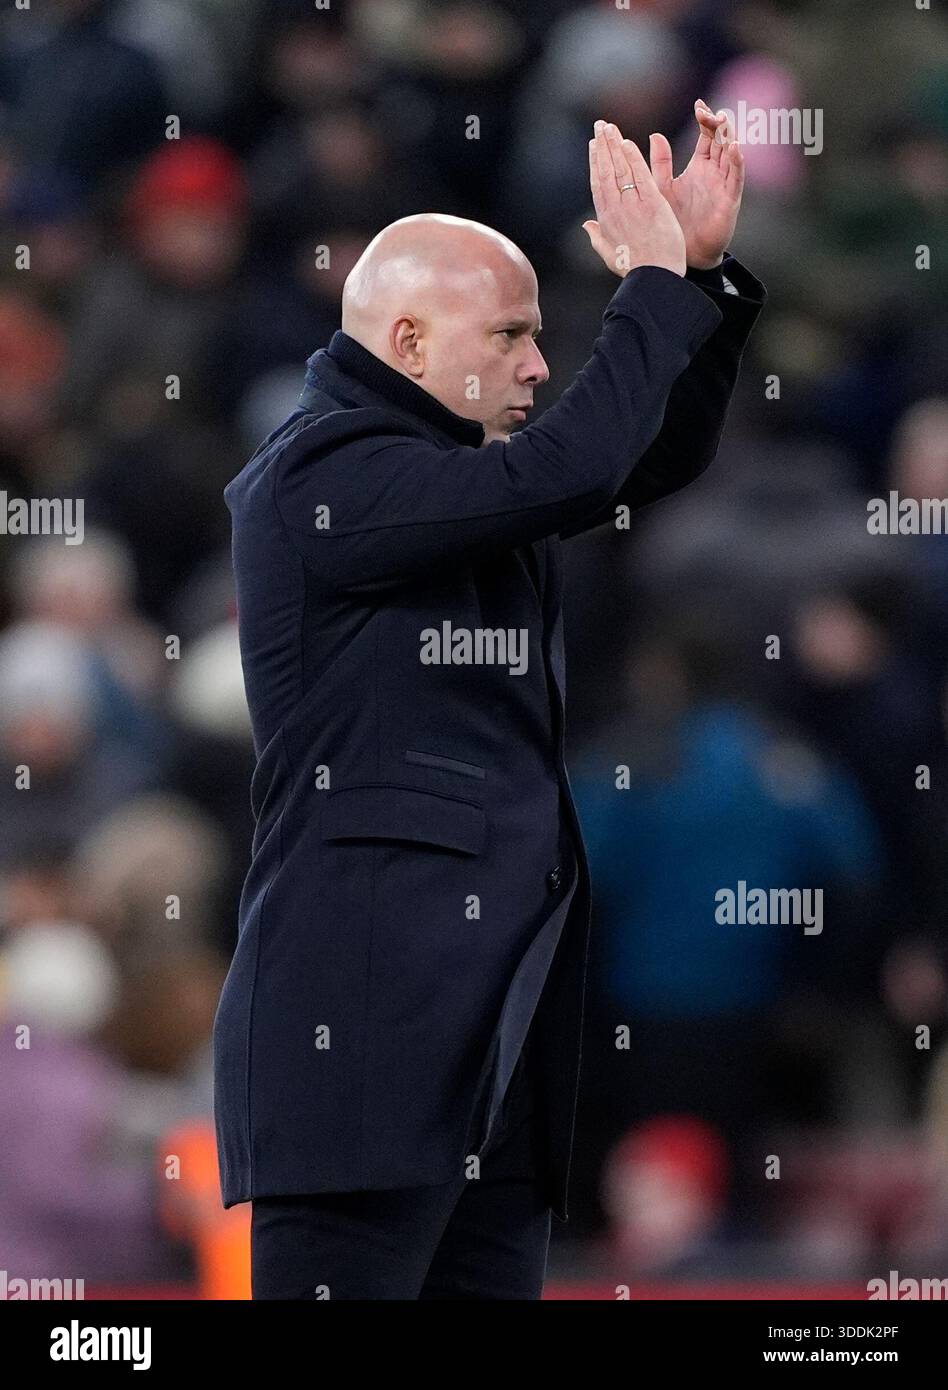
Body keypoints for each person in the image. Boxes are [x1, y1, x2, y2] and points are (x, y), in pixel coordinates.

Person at [214, 105, 767, 1299]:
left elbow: (632, 459)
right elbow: (568, 466)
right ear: (407, 339)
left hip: (487, 1046)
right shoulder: (319, 473)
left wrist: (702, 283)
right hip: (361, 1049)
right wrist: (651, 286)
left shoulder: (460, 478)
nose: (536, 364)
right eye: (513, 336)